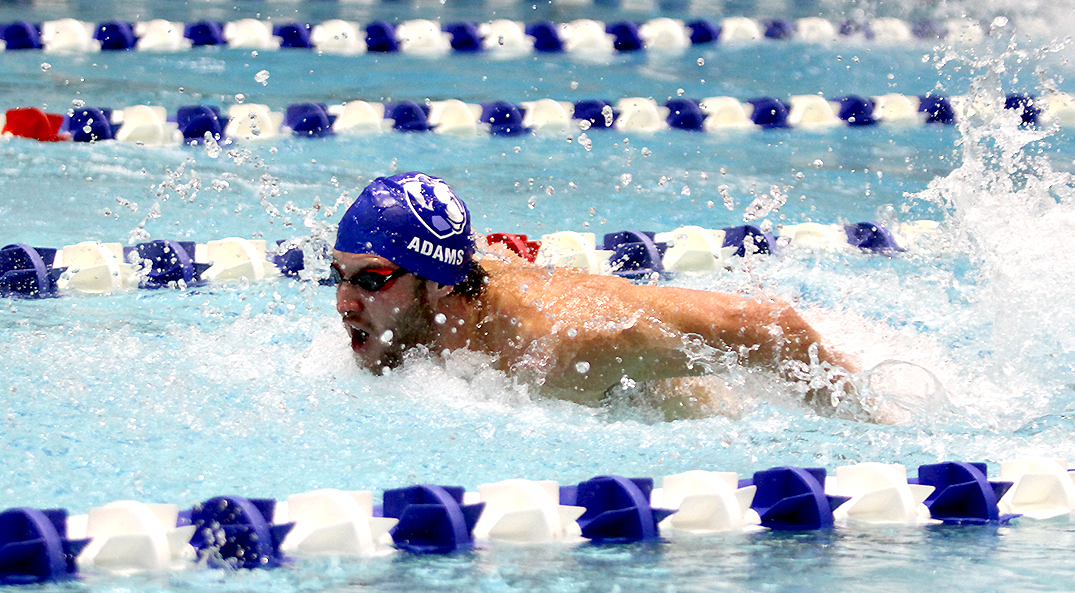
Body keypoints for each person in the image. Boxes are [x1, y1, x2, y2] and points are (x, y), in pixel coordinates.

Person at [332, 172, 861, 416]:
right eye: (338, 275)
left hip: (727, 404)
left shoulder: (561, 345)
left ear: (440, 282)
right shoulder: (427, 312)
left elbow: (775, 326)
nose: (344, 304)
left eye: (371, 280)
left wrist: (864, 419)